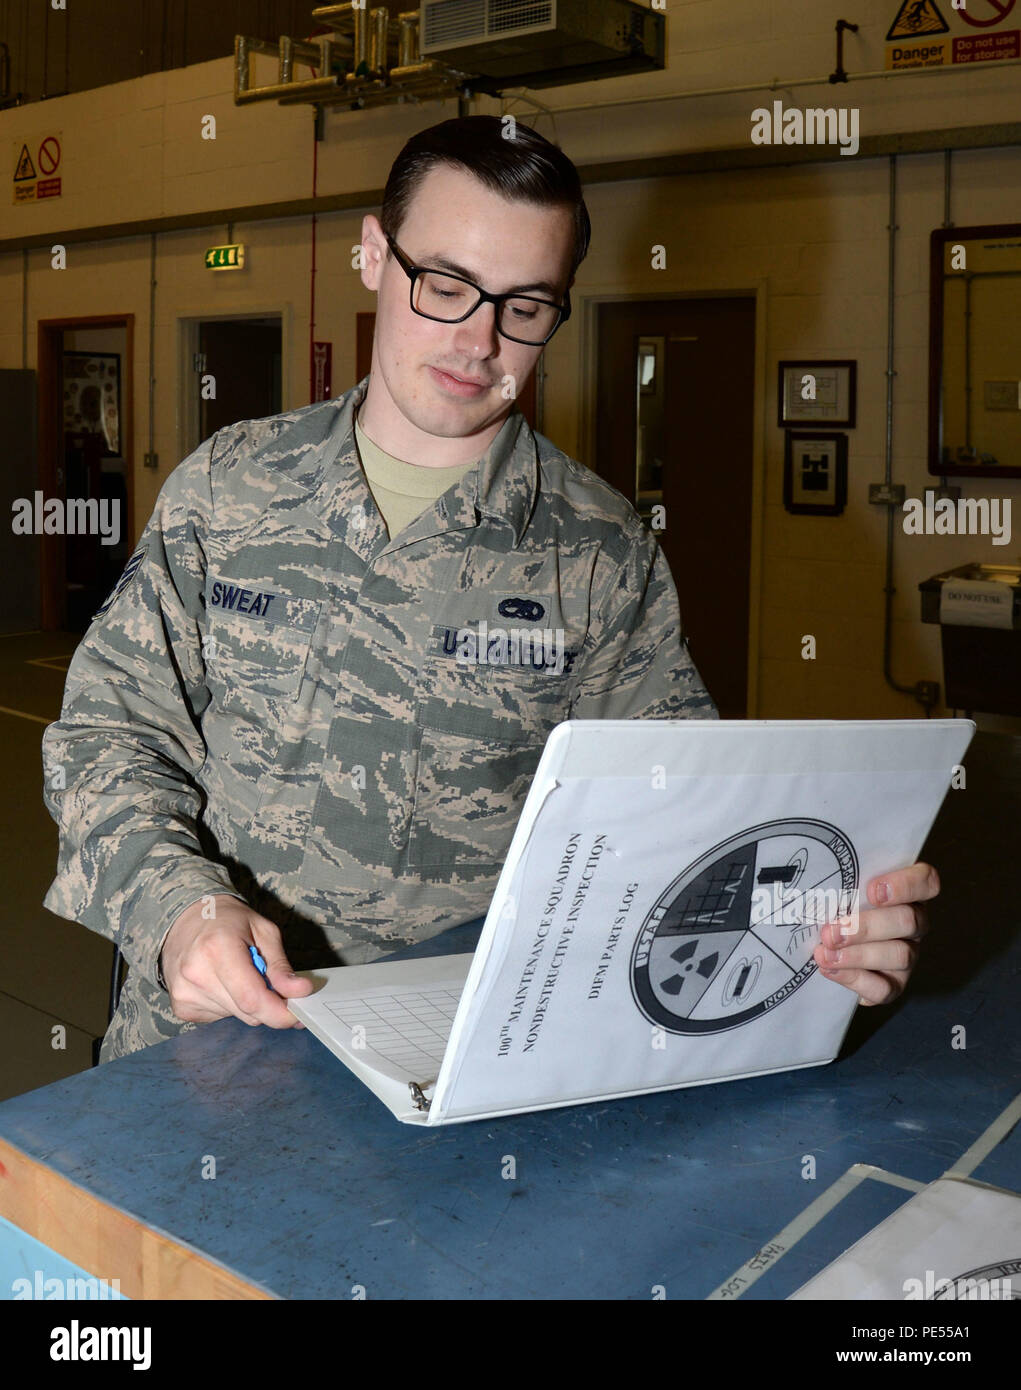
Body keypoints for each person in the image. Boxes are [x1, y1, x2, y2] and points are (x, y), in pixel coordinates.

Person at [41, 116, 938, 1062]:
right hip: (203, 1040)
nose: (478, 340)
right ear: (374, 255)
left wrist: (811, 924)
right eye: (447, 286)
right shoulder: (230, 488)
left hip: (455, 1054)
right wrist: (179, 908)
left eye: (524, 306)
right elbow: (109, 732)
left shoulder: (598, 552)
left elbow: (671, 822)